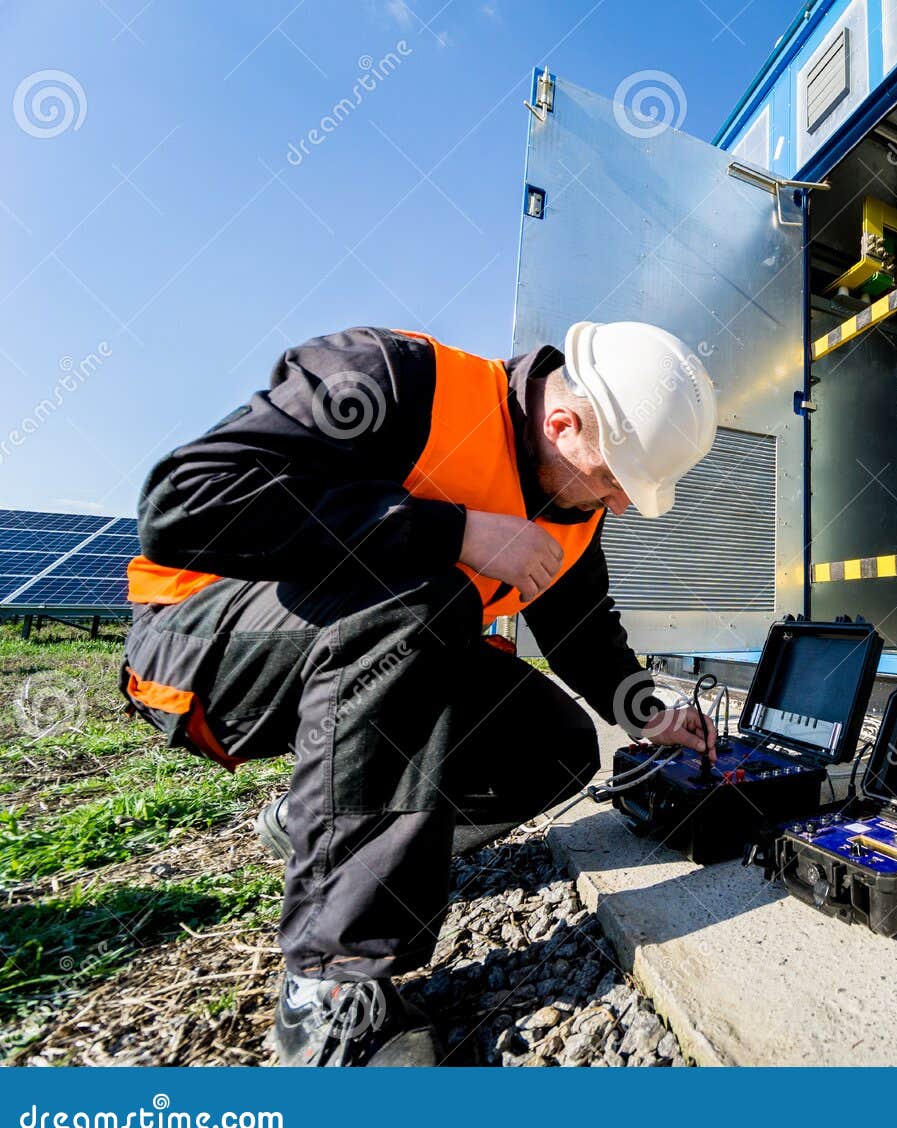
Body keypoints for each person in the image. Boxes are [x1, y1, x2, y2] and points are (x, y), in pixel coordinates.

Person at [120, 322, 719, 1065]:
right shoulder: (394, 378)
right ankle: (328, 994)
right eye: (611, 482)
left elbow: (583, 632)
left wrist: (649, 714)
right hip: (202, 644)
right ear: (562, 423)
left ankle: (321, 828)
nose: (619, 507)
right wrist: (453, 530)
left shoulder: (576, 506)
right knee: (426, 595)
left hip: (360, 651)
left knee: (557, 745)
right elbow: (188, 503)